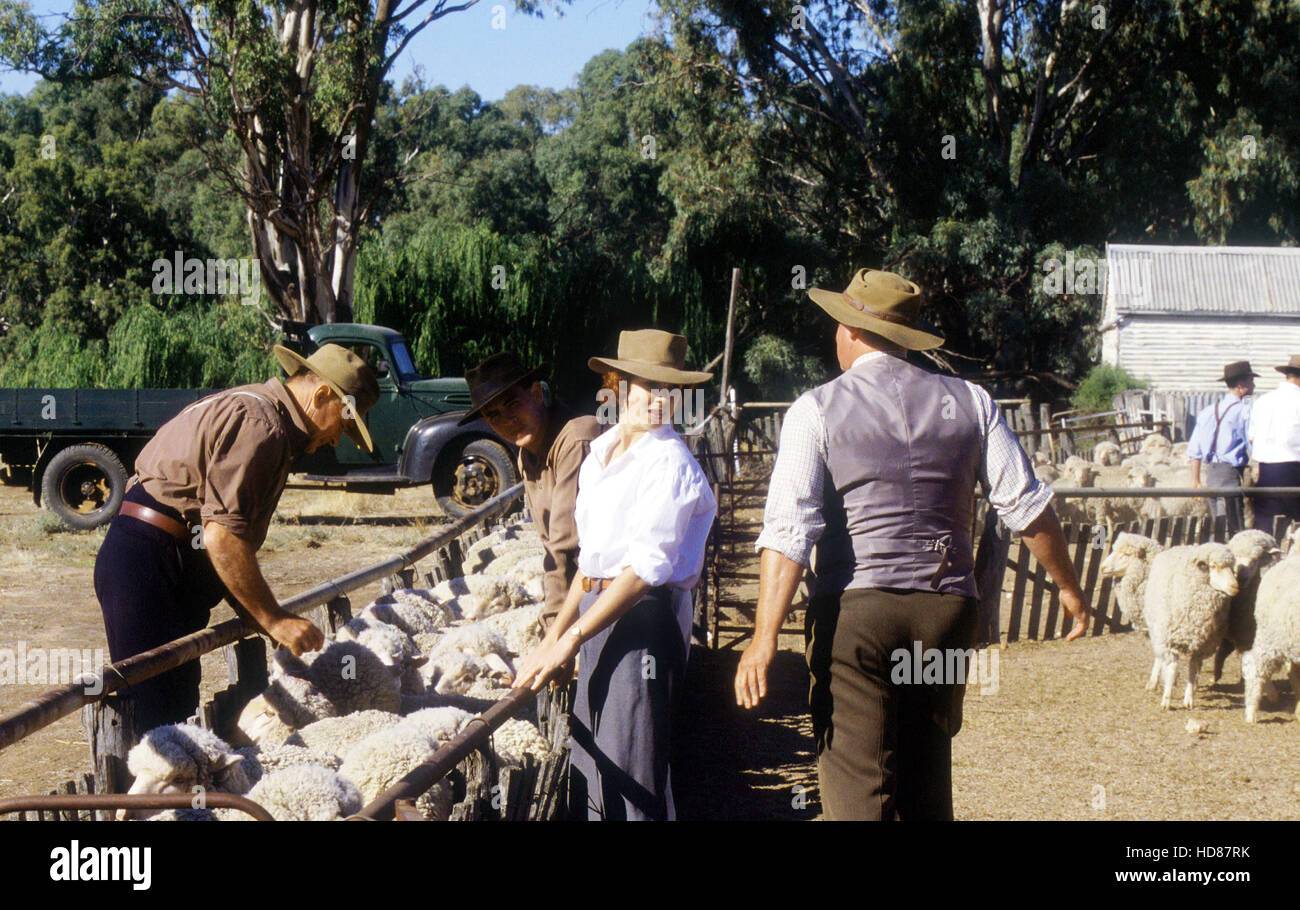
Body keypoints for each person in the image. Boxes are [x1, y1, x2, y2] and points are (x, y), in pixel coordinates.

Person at [733, 268, 1089, 821]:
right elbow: (1025, 504)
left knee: (858, 788)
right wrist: (1068, 588)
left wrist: (763, 639)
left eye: (837, 326)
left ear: (852, 331)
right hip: (946, 613)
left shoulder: (817, 409)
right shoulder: (971, 401)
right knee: (926, 784)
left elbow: (789, 529)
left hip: (861, 614)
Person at [94, 344, 379, 734]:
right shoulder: (260, 425)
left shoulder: (259, 412)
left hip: (165, 554)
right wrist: (273, 618)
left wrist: (258, 614)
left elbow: (217, 534)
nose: (335, 441)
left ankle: (169, 792)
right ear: (322, 395)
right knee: (155, 713)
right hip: (152, 557)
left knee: (174, 702)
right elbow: (223, 537)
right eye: (344, 426)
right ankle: (148, 794)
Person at [512, 329, 717, 820]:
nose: (663, 401)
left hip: (643, 619)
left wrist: (574, 635)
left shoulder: (670, 462)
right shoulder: (601, 455)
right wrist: (555, 637)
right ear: (617, 383)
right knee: (592, 756)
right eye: (650, 386)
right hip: (598, 612)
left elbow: (645, 571)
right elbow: (592, 562)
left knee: (632, 764)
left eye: (674, 390)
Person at [459, 353, 601, 629]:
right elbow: (549, 542)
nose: (508, 420)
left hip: (616, 594)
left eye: (513, 404)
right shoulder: (527, 455)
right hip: (582, 595)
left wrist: (552, 632)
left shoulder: (576, 439)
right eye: (494, 415)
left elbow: (566, 547)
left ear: (536, 392)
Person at [1187, 361, 1256, 534]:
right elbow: (1252, 443)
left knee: (1218, 522)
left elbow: (1194, 450)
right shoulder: (1243, 411)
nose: (1253, 384)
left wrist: (1195, 480)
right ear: (1241, 386)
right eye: (1250, 380)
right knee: (1234, 524)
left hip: (1211, 473)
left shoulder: (1207, 411)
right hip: (1230, 473)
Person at [1248, 355, 1300, 534]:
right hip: (1294, 470)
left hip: (1265, 472)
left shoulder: (1262, 401)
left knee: (1266, 529)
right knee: (1295, 530)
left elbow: (1252, 438)